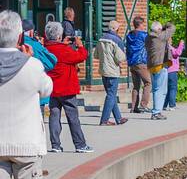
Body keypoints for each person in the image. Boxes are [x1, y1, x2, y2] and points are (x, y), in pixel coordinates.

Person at [0, 10, 53, 179]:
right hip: (28, 147)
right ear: (20, 35)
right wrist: (31, 58)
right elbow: (47, 89)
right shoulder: (31, 66)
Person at [44, 21, 92, 153]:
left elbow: (56, 50)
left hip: (53, 89)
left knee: (54, 116)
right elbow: (81, 56)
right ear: (59, 36)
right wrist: (80, 46)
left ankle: (55, 145)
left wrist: (62, 43)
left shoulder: (46, 48)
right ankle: (80, 144)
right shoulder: (64, 50)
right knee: (73, 117)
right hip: (67, 88)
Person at [21, 19, 56, 118]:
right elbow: (51, 62)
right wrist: (41, 46)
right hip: (35, 92)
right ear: (31, 32)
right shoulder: (35, 45)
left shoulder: (12, 44)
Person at [97, 19, 128, 126]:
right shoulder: (117, 40)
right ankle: (104, 120)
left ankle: (118, 118)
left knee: (111, 94)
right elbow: (120, 57)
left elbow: (96, 54)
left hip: (103, 69)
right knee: (111, 95)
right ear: (116, 29)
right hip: (112, 70)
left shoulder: (101, 38)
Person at [146, 20, 174, 120]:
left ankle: (156, 110)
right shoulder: (160, 37)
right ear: (158, 29)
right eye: (160, 29)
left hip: (151, 65)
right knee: (161, 89)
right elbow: (172, 28)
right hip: (160, 66)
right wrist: (166, 25)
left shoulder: (148, 37)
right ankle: (156, 112)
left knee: (155, 89)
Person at [125, 16, 151, 113]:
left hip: (132, 63)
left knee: (136, 86)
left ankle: (133, 107)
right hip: (141, 62)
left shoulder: (129, 35)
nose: (144, 26)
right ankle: (143, 105)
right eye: (143, 24)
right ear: (140, 24)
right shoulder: (143, 35)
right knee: (148, 83)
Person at [166, 33, 185, 110]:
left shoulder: (166, 48)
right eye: (170, 39)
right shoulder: (169, 48)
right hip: (172, 71)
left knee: (167, 89)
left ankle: (164, 105)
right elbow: (177, 53)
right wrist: (181, 44)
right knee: (173, 88)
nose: (171, 40)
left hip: (167, 71)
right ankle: (172, 105)